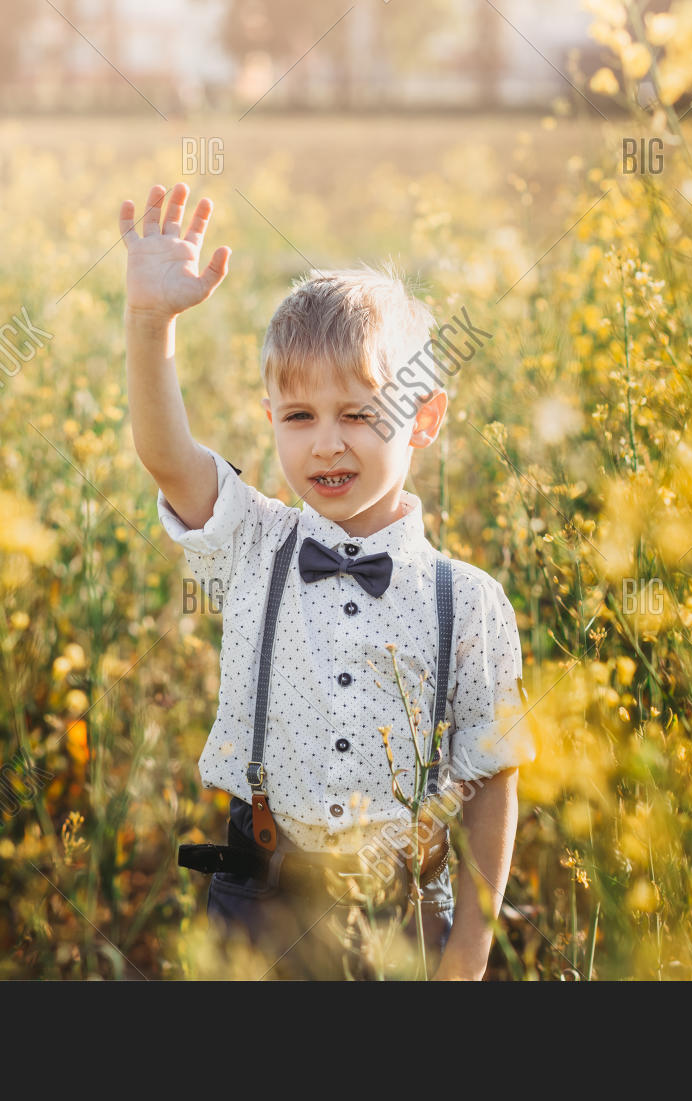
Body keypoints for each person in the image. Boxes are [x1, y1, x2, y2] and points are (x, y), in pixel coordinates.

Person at [120, 182, 530, 980]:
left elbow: (491, 787)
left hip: (405, 918)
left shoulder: (470, 600)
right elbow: (167, 455)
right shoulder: (253, 540)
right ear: (268, 415)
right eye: (299, 416)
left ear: (425, 418)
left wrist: (467, 960)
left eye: (360, 413)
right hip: (258, 903)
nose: (327, 445)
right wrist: (150, 322)